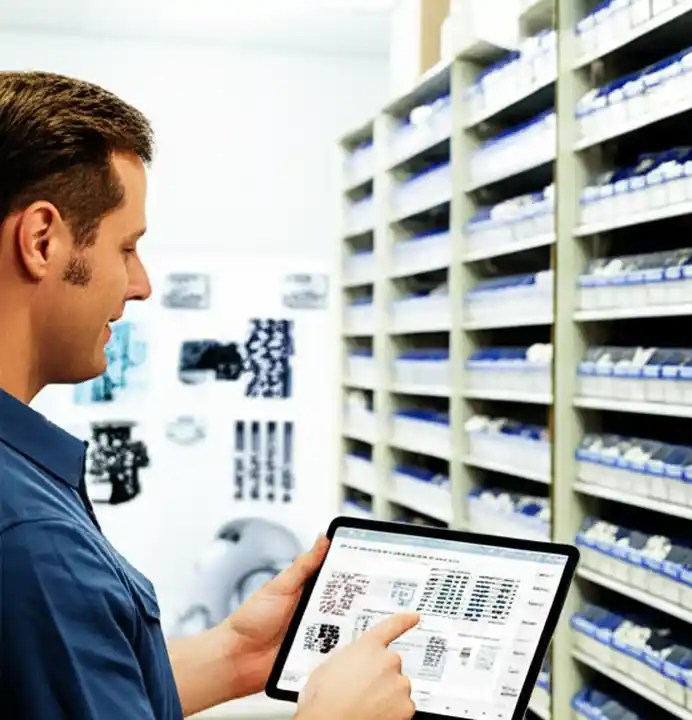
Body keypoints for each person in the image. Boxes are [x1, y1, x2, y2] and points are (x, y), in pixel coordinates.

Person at [0, 71, 417, 720]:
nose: (140, 284)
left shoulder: (24, 487)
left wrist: (234, 653)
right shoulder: (30, 539)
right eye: (127, 247)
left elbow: (63, 684)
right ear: (42, 240)